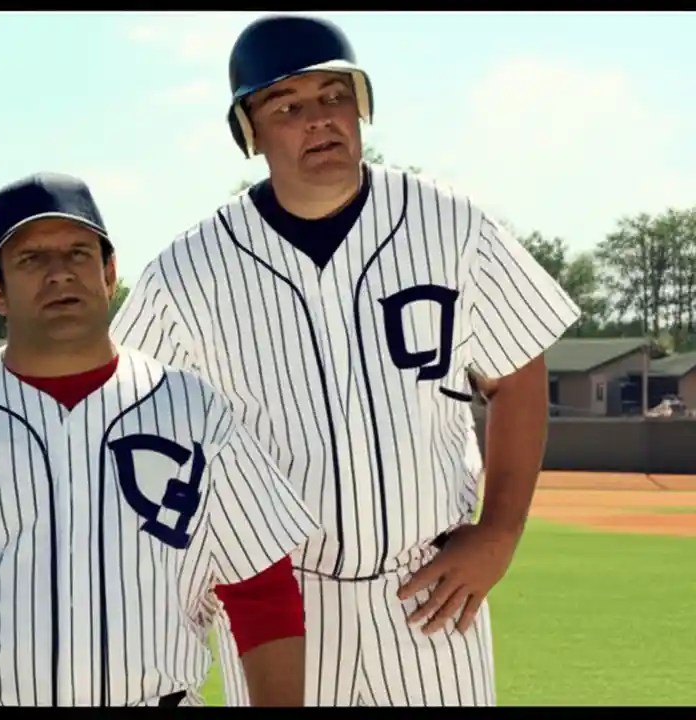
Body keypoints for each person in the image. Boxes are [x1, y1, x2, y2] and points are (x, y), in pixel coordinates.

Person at [110, 14, 582, 708]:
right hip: (278, 602)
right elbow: (131, 429)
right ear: (249, 131)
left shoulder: (449, 224)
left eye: (334, 95)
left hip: (430, 587)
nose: (319, 120)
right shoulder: (188, 273)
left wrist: (500, 532)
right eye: (287, 106)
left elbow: (516, 371)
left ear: (361, 107)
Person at [0, 171, 323, 707]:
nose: (59, 272)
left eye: (78, 253)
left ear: (109, 274)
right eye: (31, 258)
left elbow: (262, 595)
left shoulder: (195, 411)